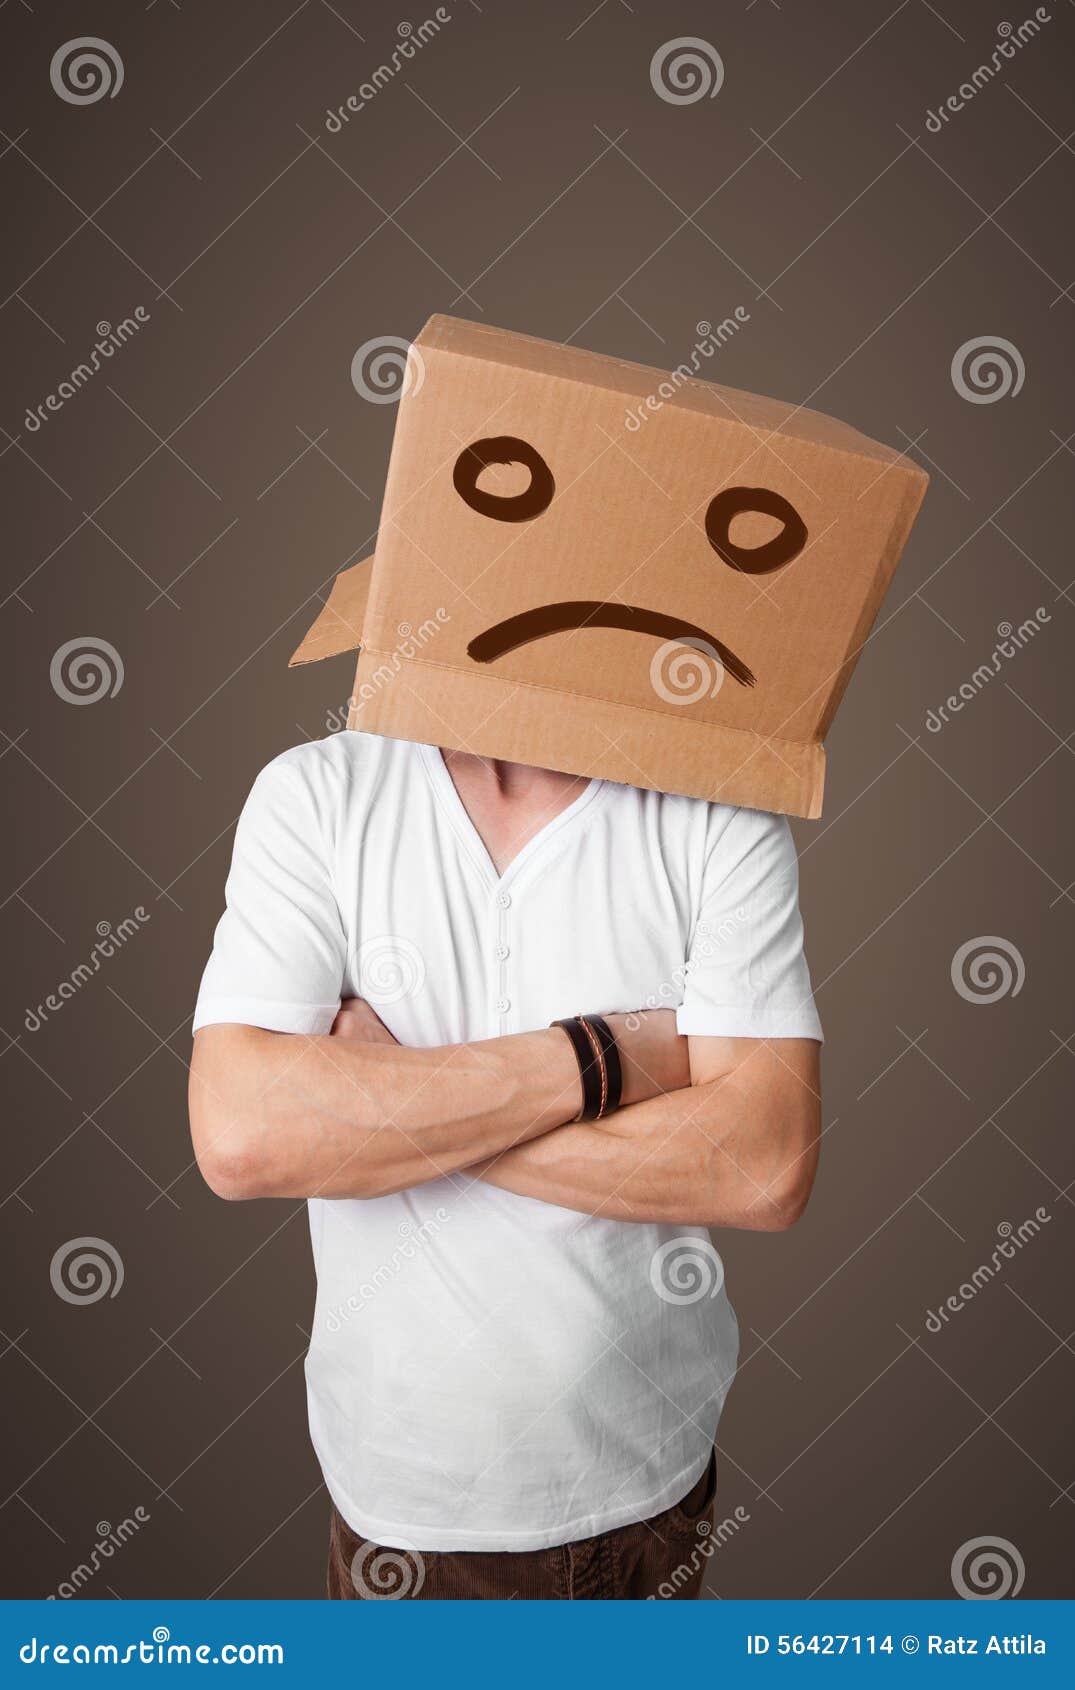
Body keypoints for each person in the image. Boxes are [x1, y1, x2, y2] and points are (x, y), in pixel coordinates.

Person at [189, 730, 822, 1599]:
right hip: (396, 1510)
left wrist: (392, 1101)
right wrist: (600, 1057)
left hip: (639, 1490)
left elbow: (765, 1163)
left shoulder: (719, 808)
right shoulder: (319, 791)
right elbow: (239, 1134)